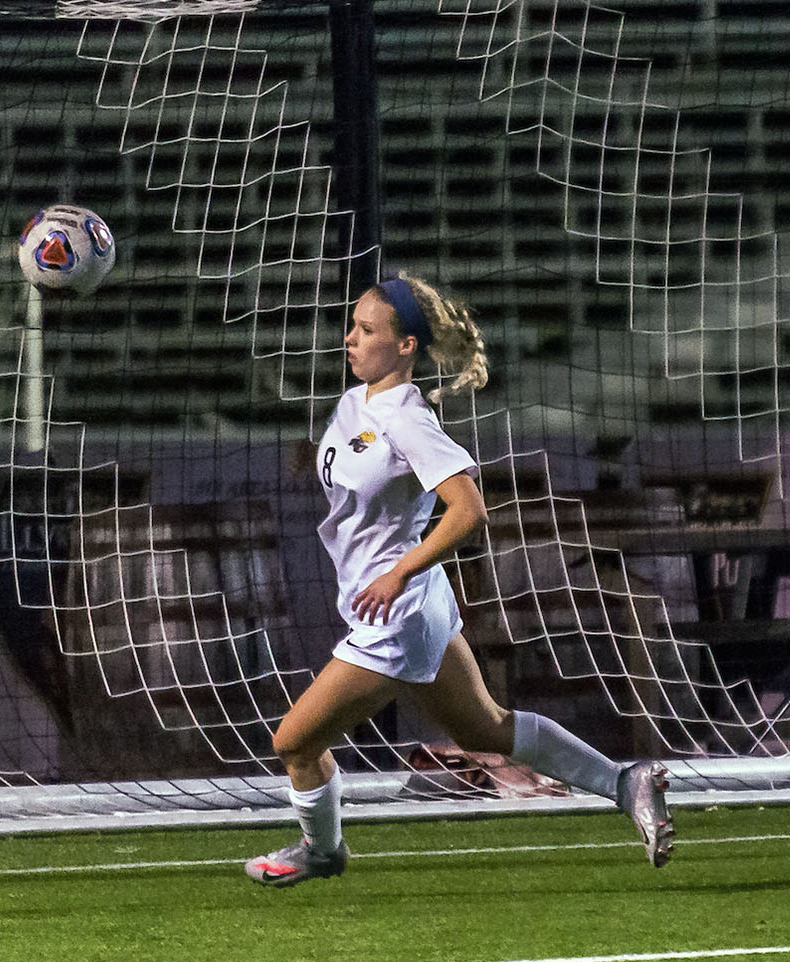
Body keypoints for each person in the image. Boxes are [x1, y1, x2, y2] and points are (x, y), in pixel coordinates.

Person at [246, 274, 674, 886]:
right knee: (484, 728)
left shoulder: (408, 419)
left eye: (367, 331)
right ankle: (624, 780)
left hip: (396, 613)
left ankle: (322, 850)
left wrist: (398, 572)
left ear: (406, 347)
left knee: (294, 742)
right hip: (407, 603)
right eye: (353, 326)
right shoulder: (354, 403)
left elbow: (468, 510)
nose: (350, 339)